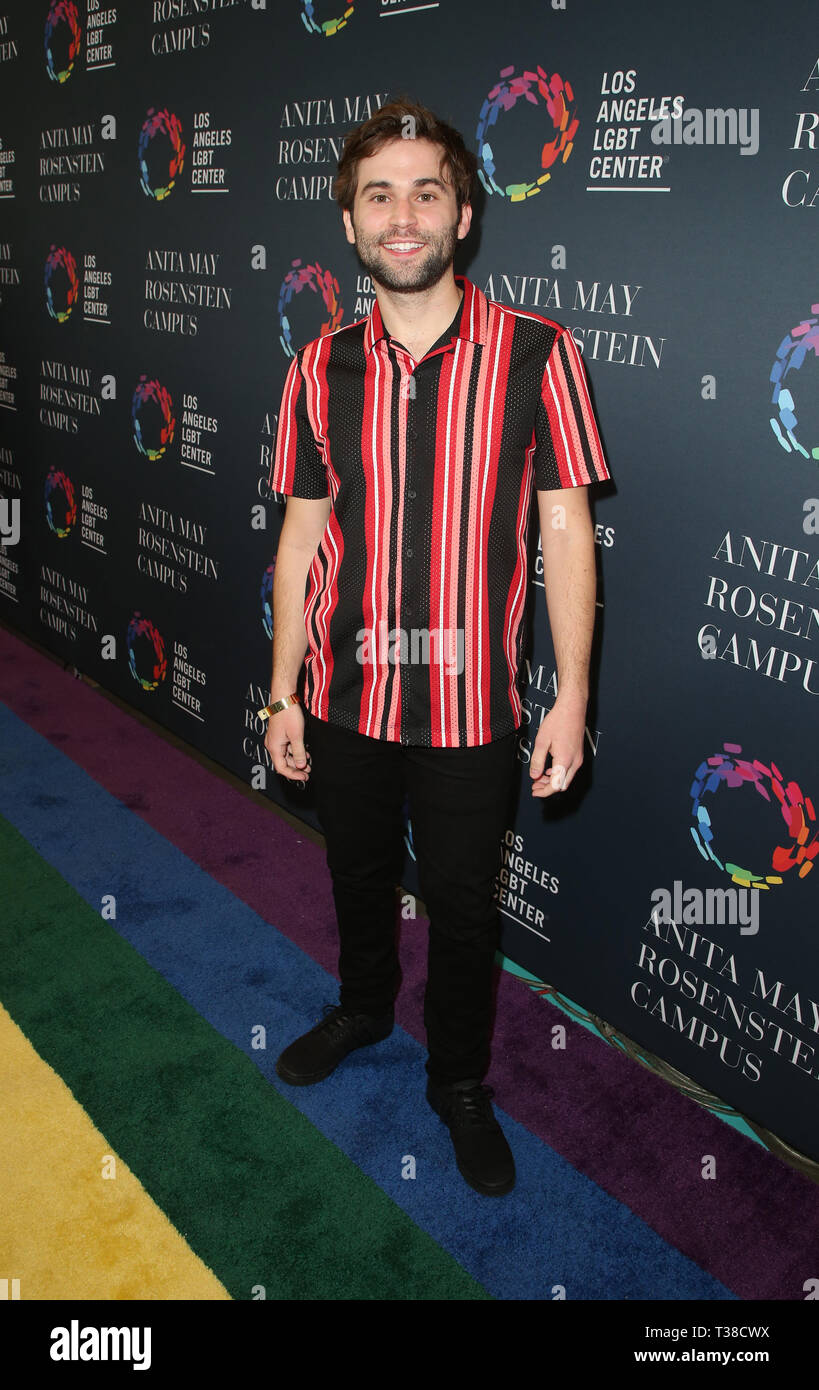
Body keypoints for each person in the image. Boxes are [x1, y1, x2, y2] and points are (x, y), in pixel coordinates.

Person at [262, 98, 610, 1197]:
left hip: (472, 711)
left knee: (463, 908)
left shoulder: (540, 353)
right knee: (357, 871)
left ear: (463, 215)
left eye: (425, 193)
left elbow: (564, 530)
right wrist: (280, 692)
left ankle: (458, 1079)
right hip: (344, 691)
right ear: (350, 226)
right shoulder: (316, 366)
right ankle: (365, 1005)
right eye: (378, 195)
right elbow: (301, 539)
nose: (401, 216)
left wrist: (569, 698)